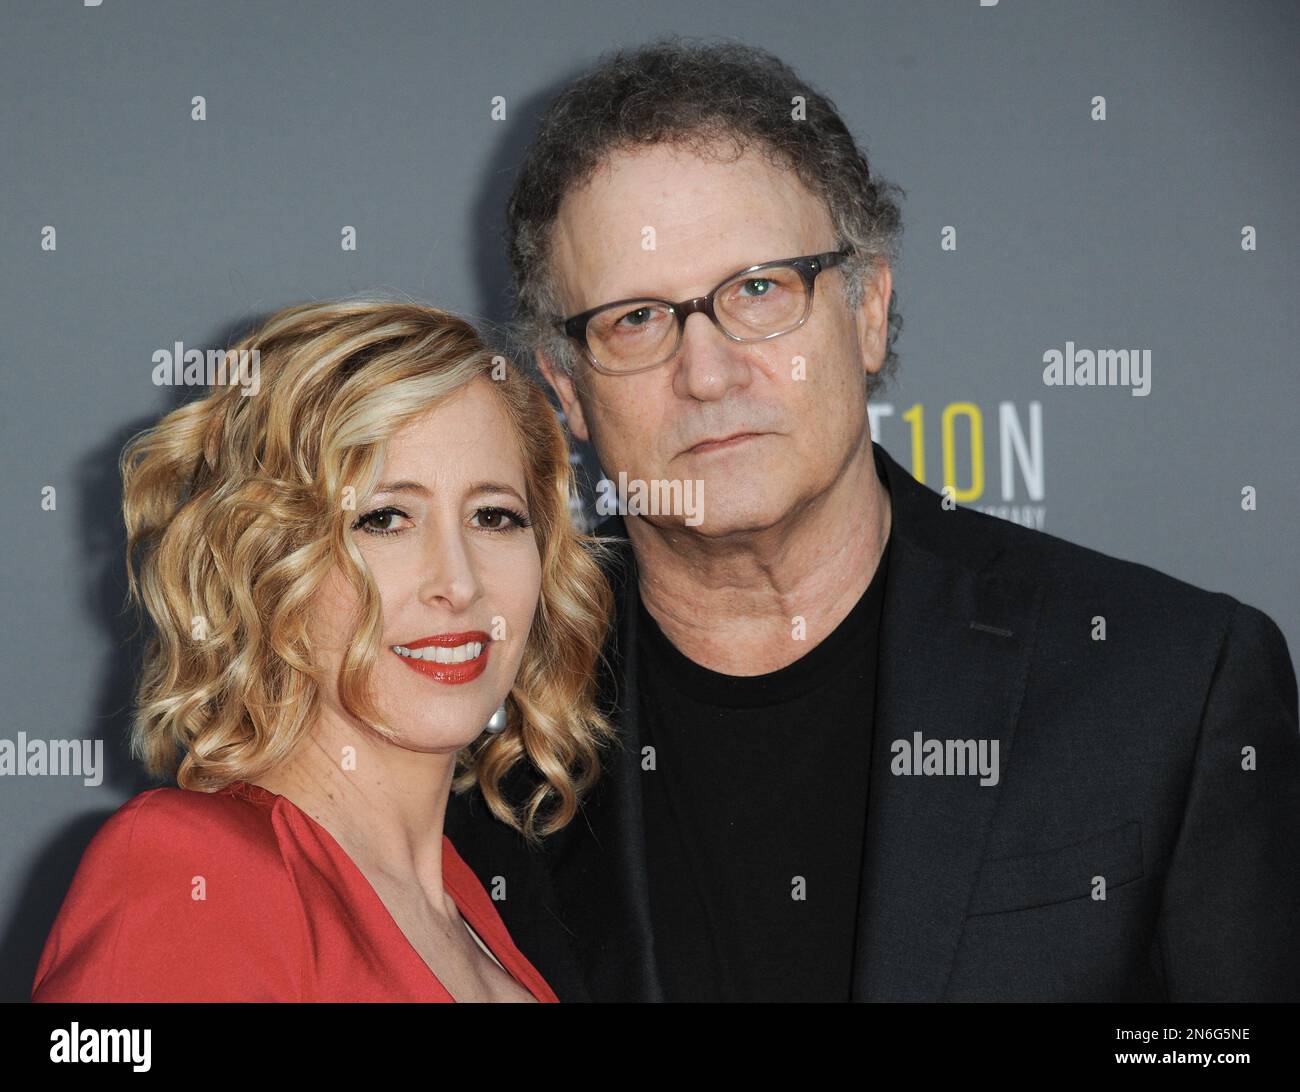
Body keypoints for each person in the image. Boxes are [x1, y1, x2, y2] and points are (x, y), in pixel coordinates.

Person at [444, 37, 1300, 1002]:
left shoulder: (1169, 680)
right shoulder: (469, 710)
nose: (709, 372)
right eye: (636, 319)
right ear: (564, 387)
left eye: (760, 290)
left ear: (869, 310)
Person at [32, 298, 615, 1002]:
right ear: (272, 563)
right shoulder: (195, 871)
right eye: (384, 519)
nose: (458, 584)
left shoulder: (477, 918)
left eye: (494, 516)